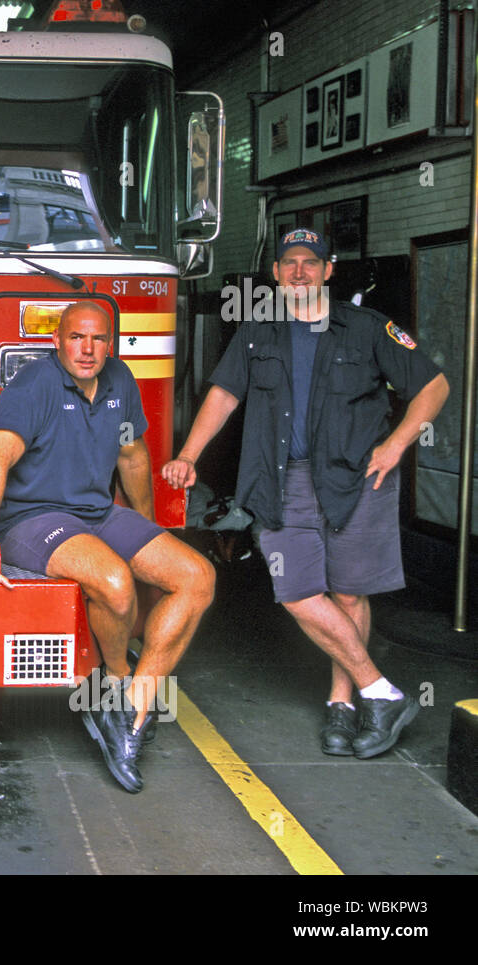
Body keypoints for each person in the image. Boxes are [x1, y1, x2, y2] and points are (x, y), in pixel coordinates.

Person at [162, 228, 448, 758]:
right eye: (289, 263)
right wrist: (188, 456)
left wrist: (395, 446)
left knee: (348, 593)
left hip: (360, 479)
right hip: (281, 480)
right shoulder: (257, 333)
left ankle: (343, 706)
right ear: (275, 273)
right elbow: (223, 396)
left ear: (328, 270)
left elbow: (433, 386)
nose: (299, 271)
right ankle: (381, 691)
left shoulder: (367, 328)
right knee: (295, 590)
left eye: (310, 263)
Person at [0, 300, 215, 793]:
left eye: (97, 340)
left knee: (197, 578)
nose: (87, 349)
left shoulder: (120, 382)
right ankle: (115, 679)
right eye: (77, 337)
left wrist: (145, 529)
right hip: (33, 519)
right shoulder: (34, 386)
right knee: (115, 583)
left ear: (110, 344)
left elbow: (131, 453)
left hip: (98, 513)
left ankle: (130, 708)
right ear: (58, 341)